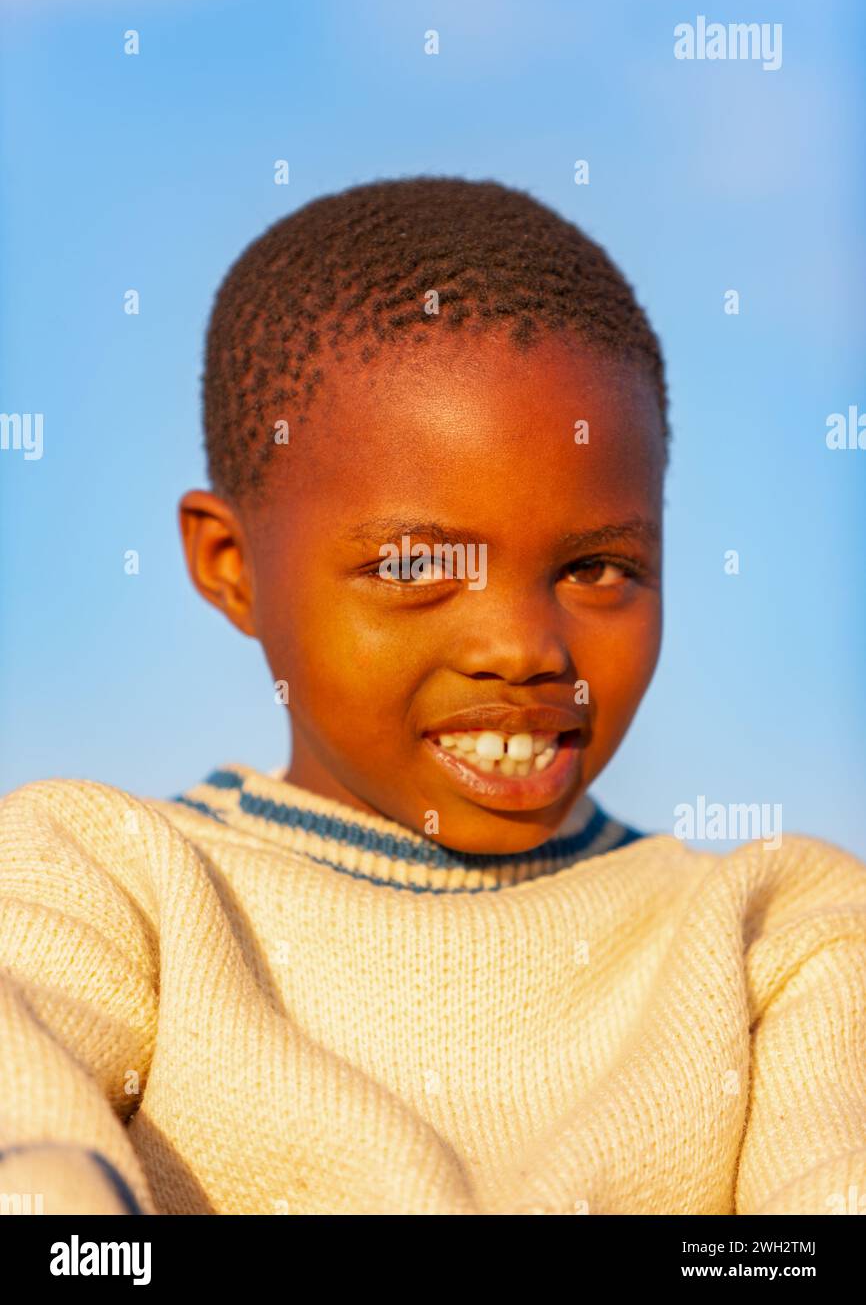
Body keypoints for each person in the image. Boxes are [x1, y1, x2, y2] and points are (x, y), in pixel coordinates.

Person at [2, 177, 864, 1215]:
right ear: (231, 564)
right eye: (417, 566)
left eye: (595, 567)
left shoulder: (774, 937)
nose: (522, 648)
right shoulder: (108, 886)